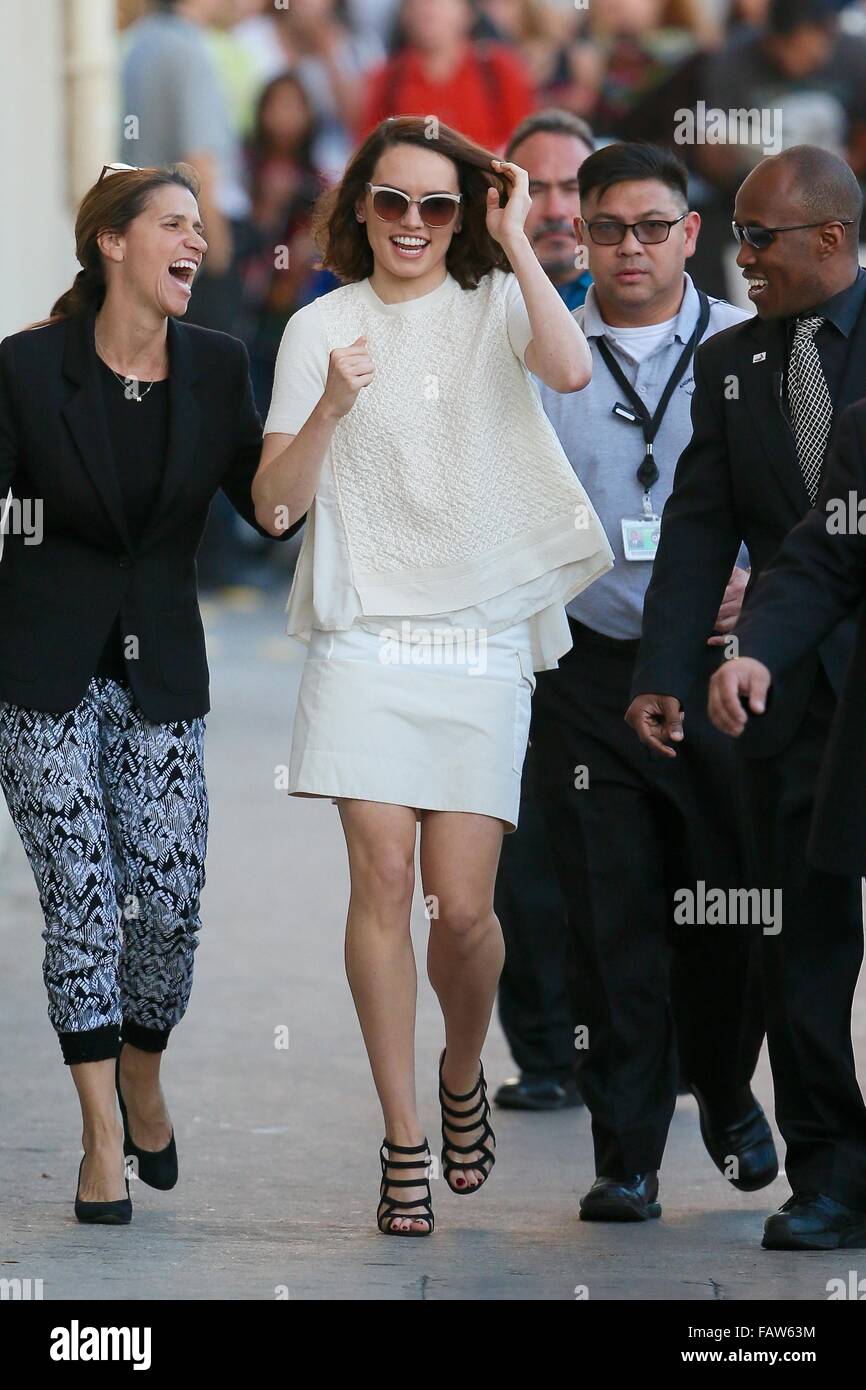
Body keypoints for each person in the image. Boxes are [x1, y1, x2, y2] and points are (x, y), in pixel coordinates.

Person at [251, 115, 613, 1235]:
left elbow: (570, 365)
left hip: (478, 629)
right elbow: (275, 505)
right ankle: (402, 1136)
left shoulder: (497, 297)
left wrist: (512, 239)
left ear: (465, 212)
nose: (413, 223)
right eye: (392, 201)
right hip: (365, 626)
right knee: (381, 875)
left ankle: (464, 1066)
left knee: (462, 911)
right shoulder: (318, 327)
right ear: (359, 207)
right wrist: (329, 408)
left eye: (438, 204)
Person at [0, 162, 298, 1225]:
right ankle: (95, 1139)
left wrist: (331, 415)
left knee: (164, 905)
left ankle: (141, 1071)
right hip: (38, 671)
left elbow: (266, 511)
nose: (196, 245)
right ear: (112, 243)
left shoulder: (216, 368)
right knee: (81, 901)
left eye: (200, 230)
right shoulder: (28, 370)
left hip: (159, 668)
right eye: (173, 225)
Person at [526, 141, 772, 1222]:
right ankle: (623, 1151)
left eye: (650, 227)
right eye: (606, 228)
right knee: (610, 917)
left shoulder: (747, 346)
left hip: (721, 672)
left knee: (725, 911)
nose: (629, 248)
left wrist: (757, 585)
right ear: (578, 235)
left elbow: (805, 491)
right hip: (590, 672)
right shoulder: (544, 353)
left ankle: (721, 1090)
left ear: (688, 234)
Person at [627, 143, 866, 1251]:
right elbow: (700, 527)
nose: (741, 256)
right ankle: (828, 1174)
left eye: (758, 238)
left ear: (830, 237)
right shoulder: (731, 364)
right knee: (797, 947)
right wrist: (668, 672)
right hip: (777, 689)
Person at [492, 108, 595, 1112]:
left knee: (627, 844)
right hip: (514, 623)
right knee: (518, 846)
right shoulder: (479, 303)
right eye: (538, 188)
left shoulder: (655, 306)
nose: (557, 208)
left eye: (572, 189)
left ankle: (642, 1040)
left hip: (627, 622)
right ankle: (547, 1053)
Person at [357, 0, 535, 154]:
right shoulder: (388, 78)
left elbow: (523, 145)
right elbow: (368, 151)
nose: (428, 8)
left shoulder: (498, 69)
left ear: (468, 12)